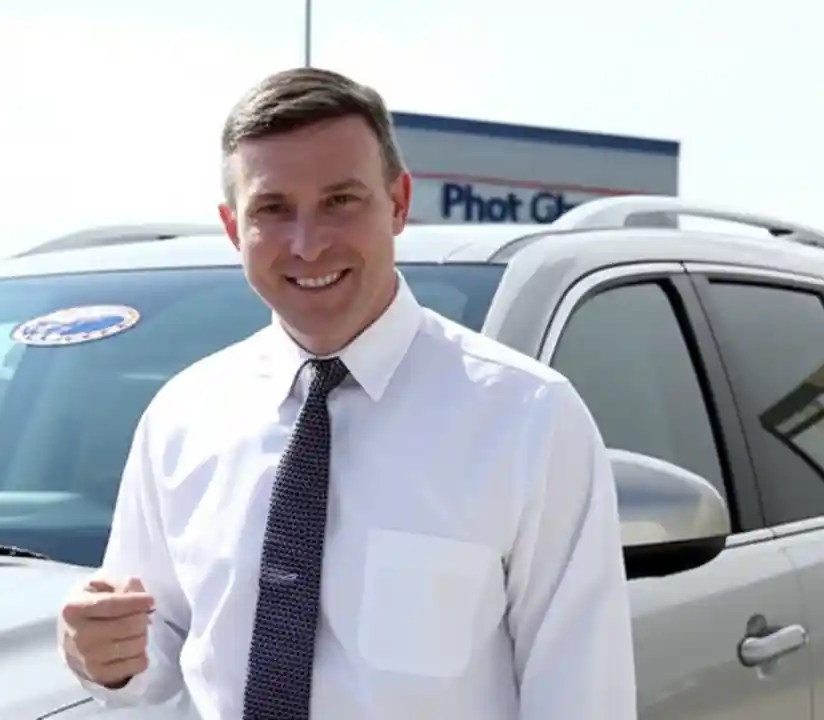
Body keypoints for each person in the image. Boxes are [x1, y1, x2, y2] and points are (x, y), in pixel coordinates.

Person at [57, 66, 637, 719]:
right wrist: (101, 655)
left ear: (398, 203)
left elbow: (582, 695)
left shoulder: (528, 417)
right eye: (273, 209)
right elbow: (155, 653)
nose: (308, 244)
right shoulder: (181, 419)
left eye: (340, 201)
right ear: (231, 227)